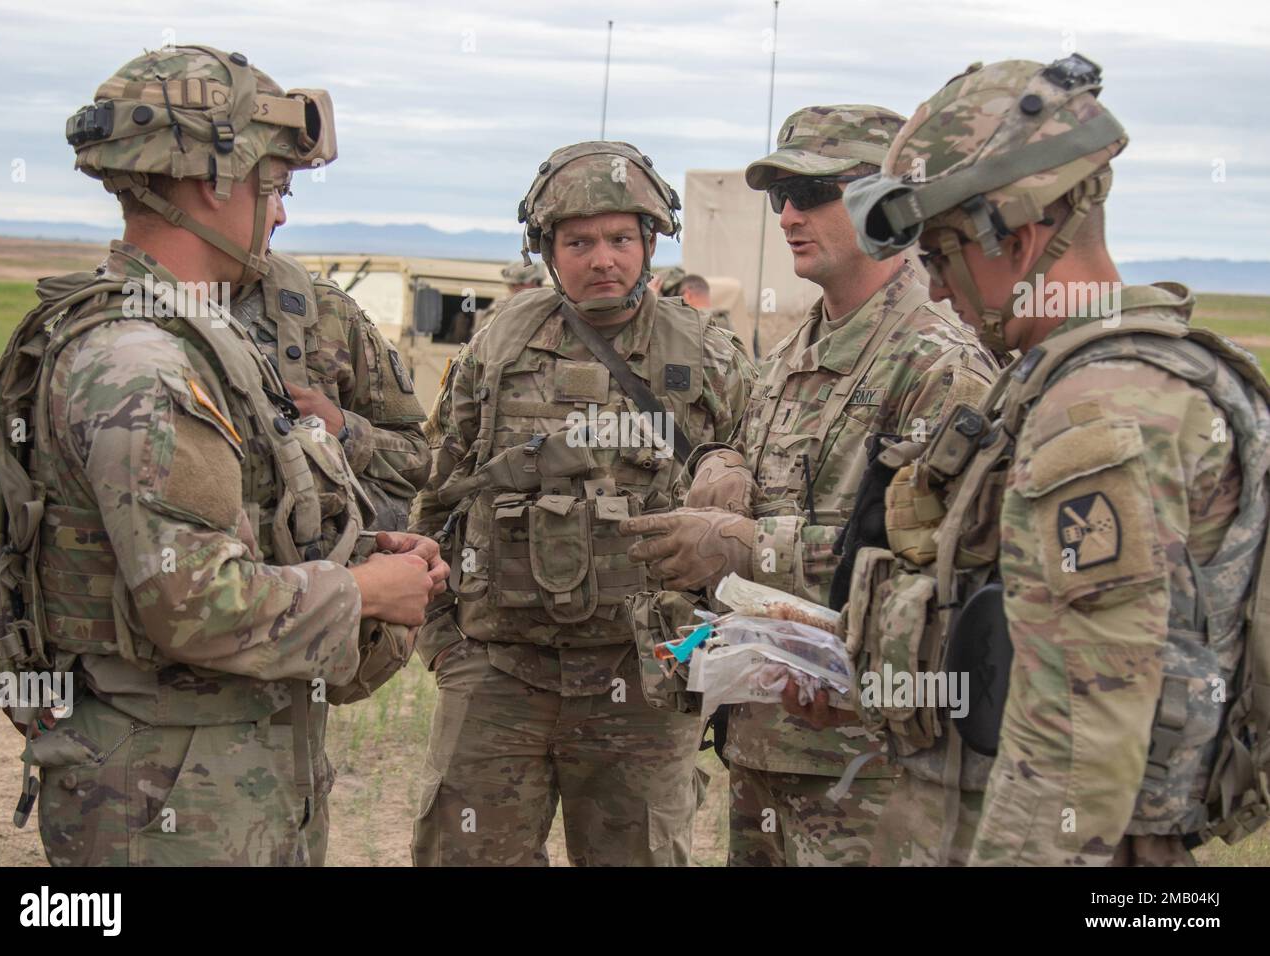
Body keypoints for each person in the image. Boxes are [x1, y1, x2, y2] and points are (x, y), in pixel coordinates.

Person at [0, 44, 447, 866]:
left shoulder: (178, 337)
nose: (283, 215)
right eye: (278, 186)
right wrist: (365, 591)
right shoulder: (145, 364)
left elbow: (215, 537)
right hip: (172, 800)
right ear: (213, 183)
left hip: (203, 773)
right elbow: (195, 601)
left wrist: (362, 550)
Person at [828, 53, 1270, 865]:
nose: (931, 290)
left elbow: (1073, 738)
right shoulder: (1087, 379)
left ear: (1021, 238)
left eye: (940, 255)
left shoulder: (1094, 410)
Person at [620, 106, 998, 866]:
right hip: (766, 746)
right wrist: (723, 467)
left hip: (873, 769)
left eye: (812, 190)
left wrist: (747, 549)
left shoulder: (939, 366)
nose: (789, 214)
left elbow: (945, 576)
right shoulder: (795, 350)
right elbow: (788, 486)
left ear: (887, 203)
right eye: (777, 196)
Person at [410, 141, 755, 866]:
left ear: (650, 243)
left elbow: (749, 514)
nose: (603, 259)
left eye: (621, 239)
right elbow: (441, 492)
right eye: (580, 242)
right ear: (547, 250)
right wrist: (445, 644)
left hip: (641, 680)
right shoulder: (497, 346)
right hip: (499, 673)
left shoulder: (709, 355)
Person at [232, 252, 432, 533]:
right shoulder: (155, 309)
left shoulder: (326, 308)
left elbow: (416, 459)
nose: (279, 214)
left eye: (281, 203)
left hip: (317, 562)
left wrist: (343, 430)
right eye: (264, 204)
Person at [467, 257, 548, 337]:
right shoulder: (501, 308)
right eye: (513, 285)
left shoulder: (546, 305)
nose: (515, 288)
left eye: (520, 284)